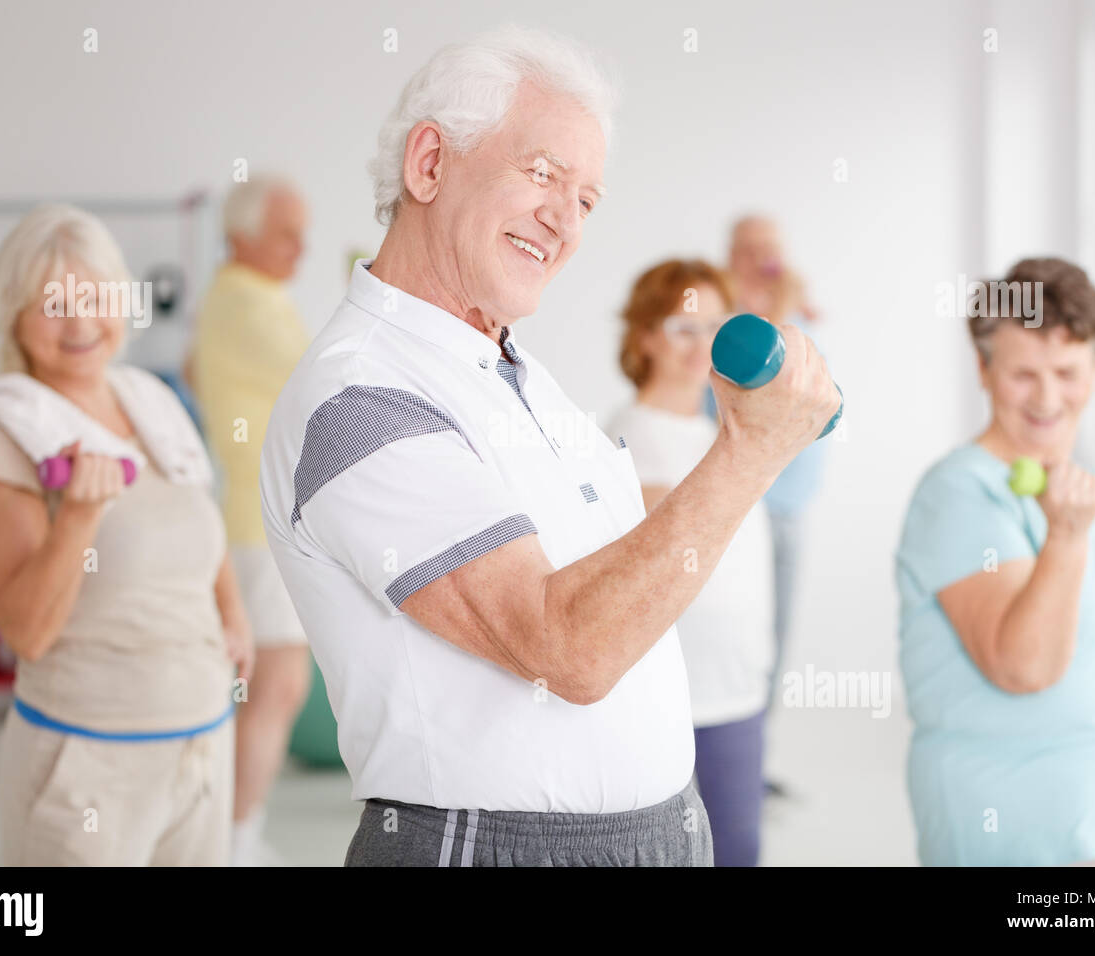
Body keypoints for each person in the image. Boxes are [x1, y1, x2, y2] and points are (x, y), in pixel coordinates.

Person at [259, 25, 840, 867]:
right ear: (429, 165)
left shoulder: (519, 374)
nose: (565, 220)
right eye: (541, 173)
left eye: (588, 199)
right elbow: (567, 646)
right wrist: (749, 452)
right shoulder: (357, 398)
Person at [0, 203, 253, 865]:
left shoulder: (153, 400)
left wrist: (233, 616)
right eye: (54, 305)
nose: (83, 322)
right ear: (13, 316)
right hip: (88, 767)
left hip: (201, 751)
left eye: (96, 296)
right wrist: (80, 520)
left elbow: (195, 518)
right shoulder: (3, 438)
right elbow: (26, 632)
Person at [895, 257, 1095, 866]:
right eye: (1024, 374)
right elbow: (1025, 666)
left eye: (1066, 371)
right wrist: (1066, 537)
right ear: (983, 369)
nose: (1048, 398)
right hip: (1023, 835)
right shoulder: (956, 493)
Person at [606, 259, 776, 866]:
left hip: (737, 684)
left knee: (738, 848)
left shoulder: (720, 433)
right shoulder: (628, 434)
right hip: (668, 693)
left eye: (712, 327)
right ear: (645, 335)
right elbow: (662, 548)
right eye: (681, 327)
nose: (699, 345)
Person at [188, 175, 312, 866]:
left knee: (269, 685)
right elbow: (321, 374)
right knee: (277, 684)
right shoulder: (240, 298)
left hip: (261, 516)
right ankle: (231, 842)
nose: (302, 246)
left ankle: (231, 834)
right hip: (260, 523)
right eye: (286, 232)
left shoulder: (249, 297)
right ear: (241, 236)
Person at [727, 215, 828, 724]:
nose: (762, 258)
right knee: (740, 633)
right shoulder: (726, 320)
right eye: (750, 248)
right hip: (743, 505)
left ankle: (756, 756)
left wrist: (790, 305)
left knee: (779, 630)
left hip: (791, 502)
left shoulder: (795, 311)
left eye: (770, 247)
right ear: (732, 254)